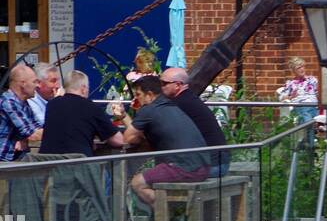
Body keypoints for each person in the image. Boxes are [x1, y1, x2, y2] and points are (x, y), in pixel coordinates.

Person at [122, 75, 211, 210]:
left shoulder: (148, 110)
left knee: (137, 183)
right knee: (149, 175)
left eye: (138, 95)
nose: (136, 99)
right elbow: (137, 134)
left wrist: (122, 116)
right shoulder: (170, 105)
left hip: (184, 168)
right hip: (203, 166)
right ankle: (171, 213)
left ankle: (166, 216)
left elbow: (127, 139)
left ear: (150, 95)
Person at [41, 70, 124, 156]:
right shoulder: (91, 107)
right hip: (79, 165)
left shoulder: (51, 105)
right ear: (83, 88)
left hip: (49, 164)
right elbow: (118, 140)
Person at [158, 67, 227, 147]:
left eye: (164, 83)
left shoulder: (180, 103)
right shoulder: (188, 98)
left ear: (177, 85)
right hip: (213, 150)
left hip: (208, 153)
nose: (161, 87)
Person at [0, 62, 42, 161]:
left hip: (15, 160)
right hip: (3, 162)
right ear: (23, 84)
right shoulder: (8, 102)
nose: (37, 85)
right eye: (34, 82)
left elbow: (37, 127)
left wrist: (24, 139)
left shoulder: (24, 104)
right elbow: (32, 134)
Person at [277, 56, 318, 123]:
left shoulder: (312, 80)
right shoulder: (290, 83)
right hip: (299, 107)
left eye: (302, 66)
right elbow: (281, 98)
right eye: (299, 68)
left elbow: (319, 94)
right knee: (305, 115)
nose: (302, 69)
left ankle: (307, 127)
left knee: (307, 116)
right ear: (293, 71)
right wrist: (291, 96)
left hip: (313, 107)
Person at [28, 63, 61, 128]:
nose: (58, 86)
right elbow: (48, 126)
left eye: (58, 81)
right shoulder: (30, 101)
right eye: (53, 81)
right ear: (38, 83)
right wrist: (58, 103)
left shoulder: (51, 97)